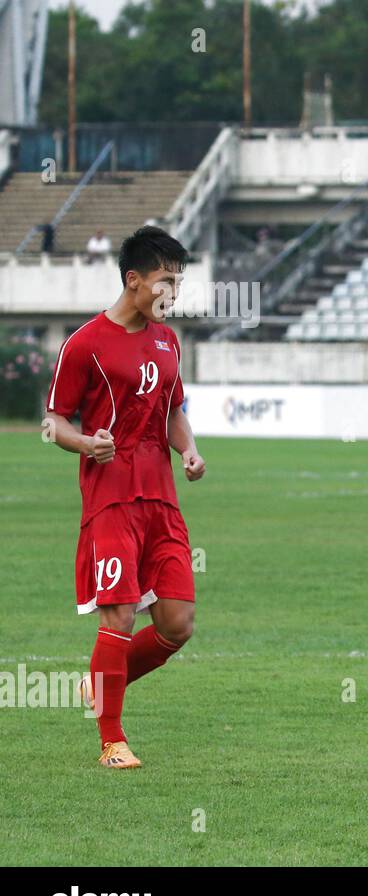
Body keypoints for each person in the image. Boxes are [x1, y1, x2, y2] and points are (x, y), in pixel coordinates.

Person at [42, 226, 205, 770]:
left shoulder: (167, 340)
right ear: (133, 279)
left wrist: (189, 450)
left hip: (161, 496)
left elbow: (174, 410)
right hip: (110, 497)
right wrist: (86, 442)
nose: (172, 294)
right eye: (164, 282)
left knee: (177, 623)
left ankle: (100, 683)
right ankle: (111, 737)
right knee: (118, 620)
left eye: (178, 283)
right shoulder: (85, 343)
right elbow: (53, 421)